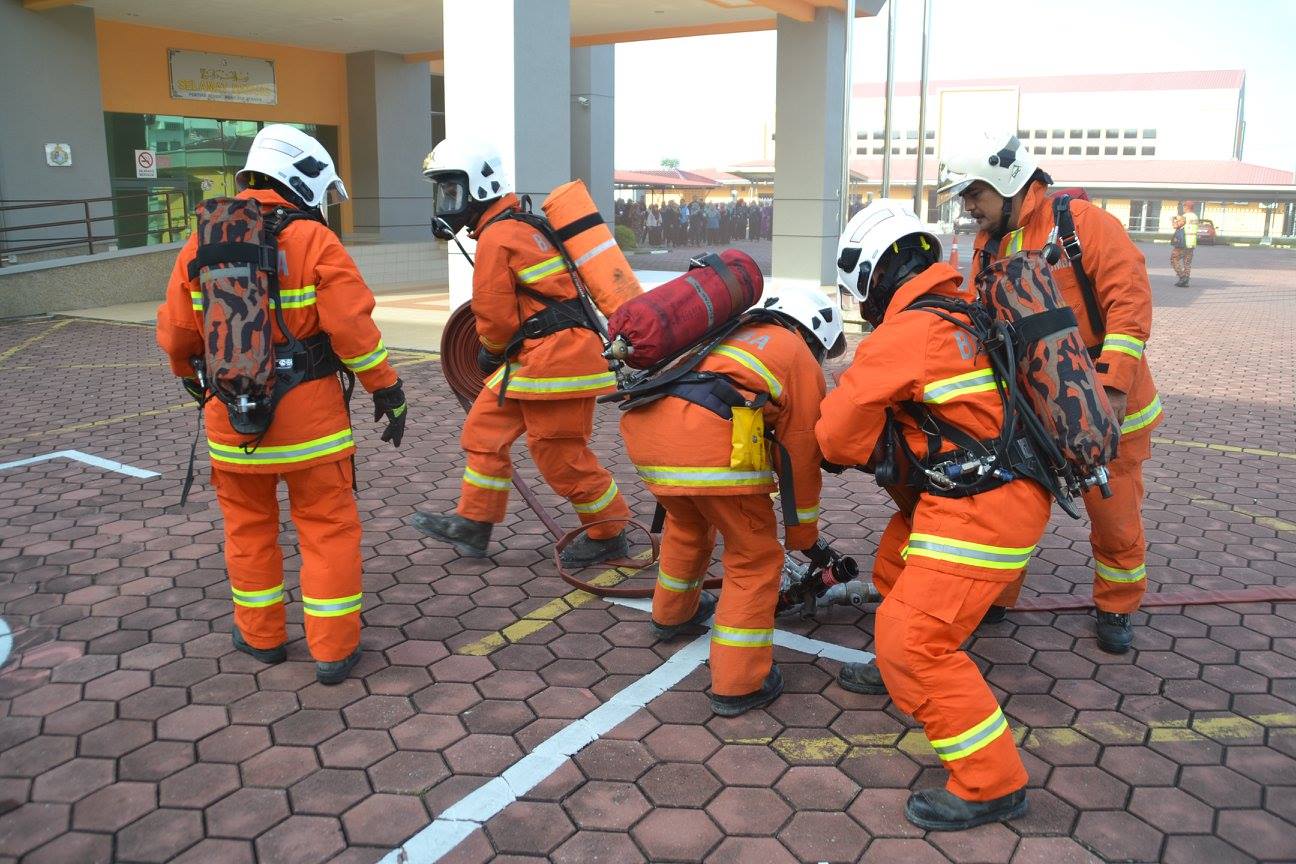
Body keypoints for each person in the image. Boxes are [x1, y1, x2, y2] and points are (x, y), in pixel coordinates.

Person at [818, 199, 1049, 830]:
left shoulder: (905, 334)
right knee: (897, 557)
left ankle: (991, 782)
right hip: (1001, 487)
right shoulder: (966, 310)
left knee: (912, 640)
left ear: (871, 279)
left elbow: (836, 439)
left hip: (984, 507)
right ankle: (893, 668)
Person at [157, 124, 406, 685]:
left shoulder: (201, 242)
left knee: (248, 531)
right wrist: (386, 389)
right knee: (327, 530)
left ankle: (261, 637)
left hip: (232, 421)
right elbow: (353, 332)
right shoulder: (316, 241)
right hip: (311, 426)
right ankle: (334, 650)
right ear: (304, 180)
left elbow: (176, 334)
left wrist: (191, 378)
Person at [938, 133, 1161, 653]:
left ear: (1007, 182)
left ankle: (1117, 604)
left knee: (1114, 514)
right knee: (1010, 503)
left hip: (1100, 400)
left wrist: (1111, 387)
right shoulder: (990, 241)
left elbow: (1129, 304)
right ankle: (997, 594)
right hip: (1029, 403)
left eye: (975, 193)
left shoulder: (1083, 225)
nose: (969, 206)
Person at [621, 284, 844, 716]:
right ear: (813, 333)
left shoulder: (726, 332)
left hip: (647, 439)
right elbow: (800, 454)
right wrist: (804, 537)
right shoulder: (795, 353)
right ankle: (739, 683)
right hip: (708, 450)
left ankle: (672, 615)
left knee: (688, 526)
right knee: (753, 558)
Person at [412, 138, 631, 567]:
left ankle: (609, 533)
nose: (447, 202)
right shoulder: (517, 227)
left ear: (480, 188)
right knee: (484, 431)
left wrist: (490, 353)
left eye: (453, 191)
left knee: (560, 455)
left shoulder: (499, 236)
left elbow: (493, 315)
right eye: (443, 192)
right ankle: (474, 523)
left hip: (557, 360)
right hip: (537, 358)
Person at [1173, 201, 1199, 286]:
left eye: (1183, 206)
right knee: (1187, 262)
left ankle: (1182, 277)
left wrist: (1174, 219)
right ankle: (1186, 280)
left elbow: (1176, 226)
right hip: (1192, 243)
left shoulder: (1185, 217)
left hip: (1183, 242)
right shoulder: (1195, 217)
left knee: (1174, 259)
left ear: (1186, 207)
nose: (1183, 208)